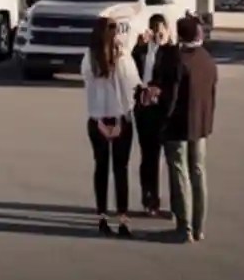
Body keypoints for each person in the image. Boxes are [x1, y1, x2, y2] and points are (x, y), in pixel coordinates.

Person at [154, 15, 219, 243]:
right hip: (200, 126)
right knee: (198, 173)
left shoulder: (177, 59)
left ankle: (184, 227)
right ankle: (199, 227)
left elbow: (169, 97)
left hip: (177, 127)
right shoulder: (207, 59)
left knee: (179, 172)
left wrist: (161, 120)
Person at [81, 16, 143, 238]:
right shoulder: (123, 57)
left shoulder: (89, 58)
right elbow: (131, 87)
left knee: (101, 168)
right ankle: (123, 219)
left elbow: (89, 89)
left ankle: (102, 217)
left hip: (96, 120)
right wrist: (119, 119)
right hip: (120, 120)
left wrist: (99, 120)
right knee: (121, 169)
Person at [130, 14, 173, 218]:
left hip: (160, 109)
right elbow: (131, 71)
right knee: (147, 155)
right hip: (143, 108)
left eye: (160, 29)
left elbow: (172, 80)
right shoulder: (141, 51)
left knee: (162, 156)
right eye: (153, 29)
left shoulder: (170, 53)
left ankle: (163, 201)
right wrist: (138, 47)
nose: (157, 33)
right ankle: (148, 198)